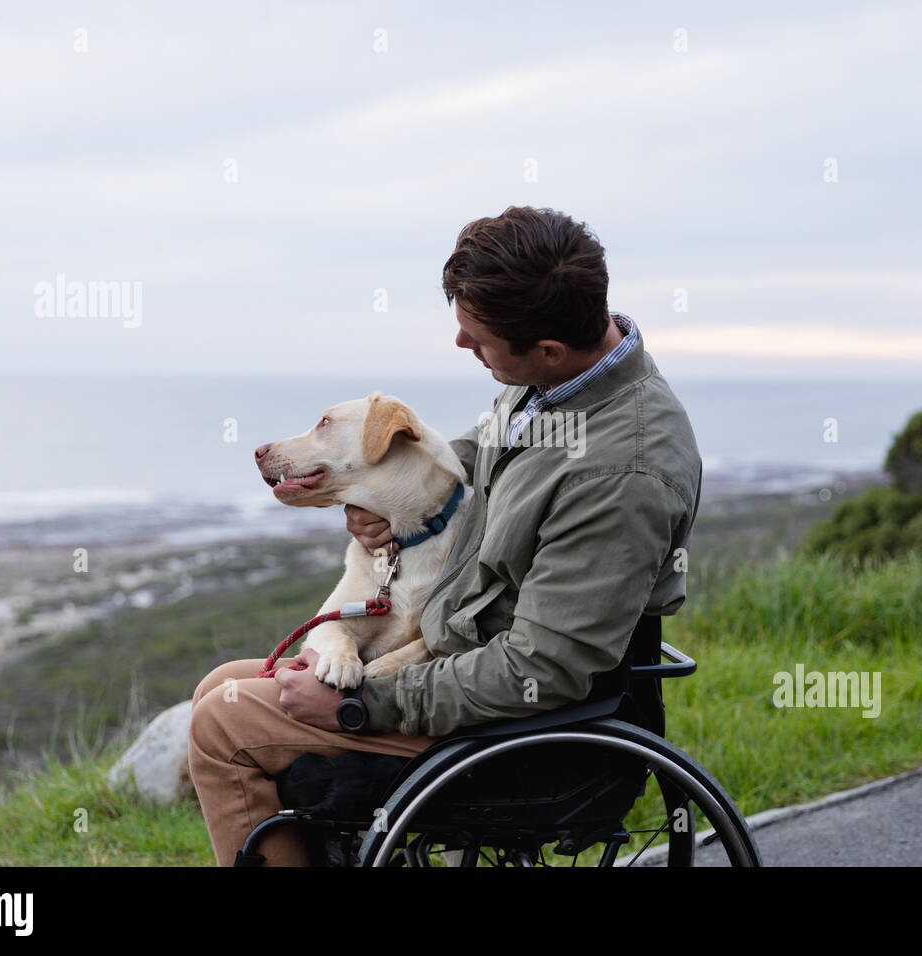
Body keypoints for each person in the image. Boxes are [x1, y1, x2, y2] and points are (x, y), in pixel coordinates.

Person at [187, 205, 703, 866]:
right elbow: (485, 454)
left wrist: (358, 704)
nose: (463, 345)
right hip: (462, 659)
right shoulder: (556, 386)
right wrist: (394, 497)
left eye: (479, 339)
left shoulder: (620, 472)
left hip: (529, 734)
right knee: (223, 684)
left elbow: (540, 672)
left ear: (546, 347)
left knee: (222, 722)